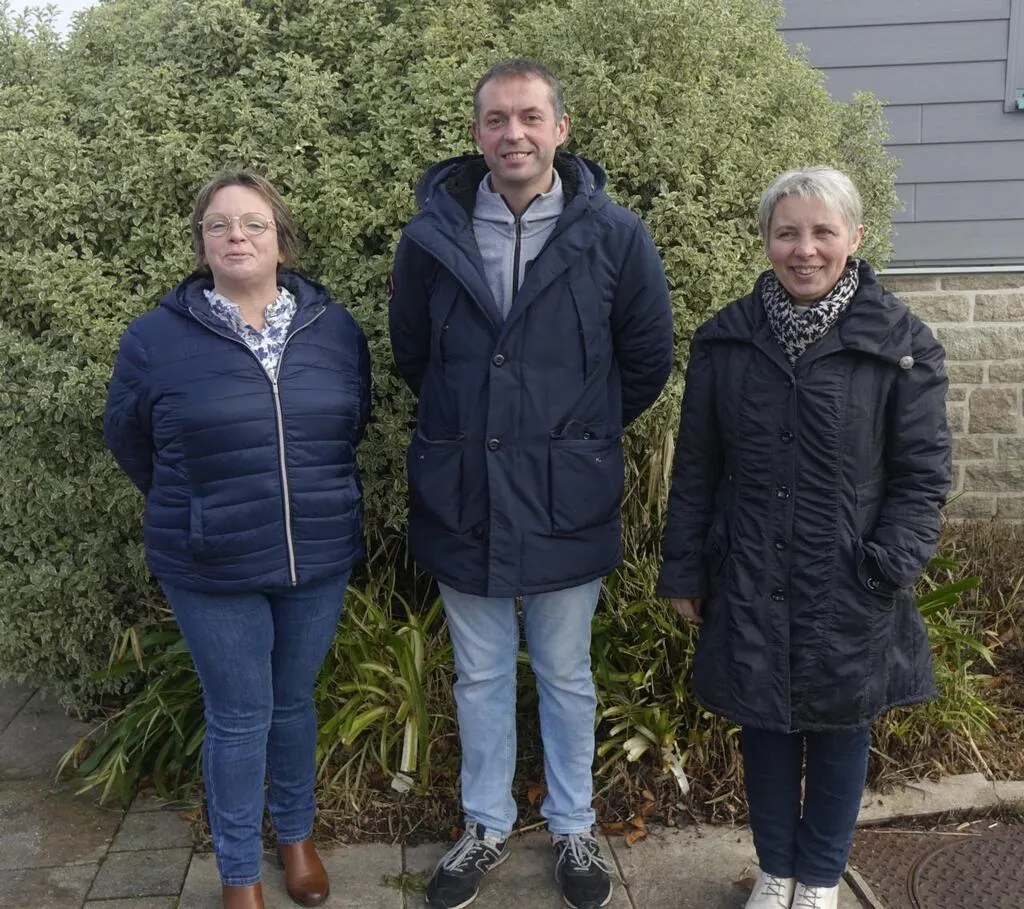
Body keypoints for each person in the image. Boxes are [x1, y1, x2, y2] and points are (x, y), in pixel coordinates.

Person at [389, 59, 674, 909]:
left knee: (565, 671)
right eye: (495, 119)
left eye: (529, 117)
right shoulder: (430, 235)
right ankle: (482, 824)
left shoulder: (615, 235)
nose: (512, 133)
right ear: (475, 133)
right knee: (477, 675)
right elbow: (416, 355)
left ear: (561, 127)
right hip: (463, 489)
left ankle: (573, 822)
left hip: (565, 494)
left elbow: (646, 359)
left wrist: (575, 436)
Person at [657, 166, 951, 909]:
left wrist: (885, 567)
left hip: (850, 577)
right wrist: (687, 569)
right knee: (764, 726)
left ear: (854, 236)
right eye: (787, 232)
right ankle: (775, 870)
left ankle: (819, 879)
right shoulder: (725, 341)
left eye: (823, 231)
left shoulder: (901, 344)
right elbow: (696, 467)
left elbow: (922, 475)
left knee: (841, 730)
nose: (805, 249)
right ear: (766, 240)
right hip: (749, 572)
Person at [104, 171, 370, 909]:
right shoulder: (156, 339)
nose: (236, 238)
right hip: (210, 559)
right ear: (201, 243)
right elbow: (129, 439)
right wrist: (192, 504)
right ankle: (239, 873)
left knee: (293, 703)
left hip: (314, 551)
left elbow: (353, 421)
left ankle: (295, 837)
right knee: (240, 714)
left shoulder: (334, 328)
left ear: (282, 237)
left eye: (253, 224)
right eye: (219, 226)